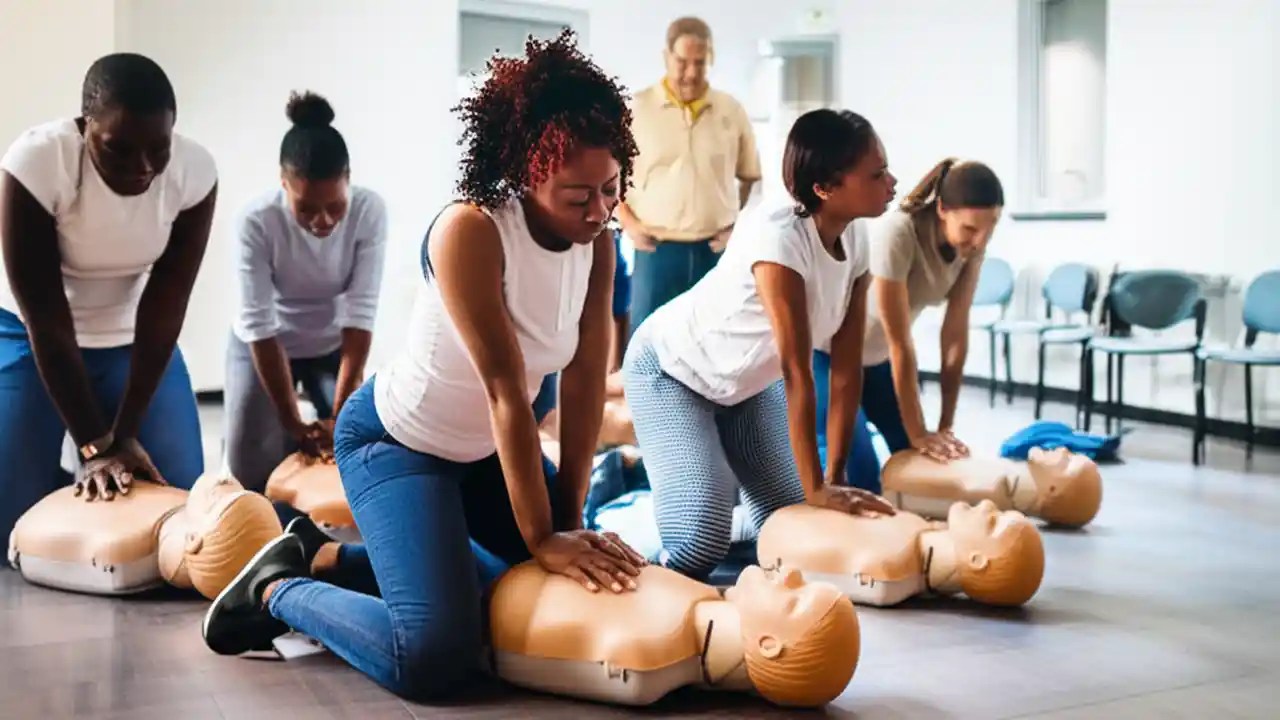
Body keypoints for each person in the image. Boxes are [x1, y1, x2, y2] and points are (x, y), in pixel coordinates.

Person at [202, 31, 647, 700]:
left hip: (484, 457)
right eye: (578, 196)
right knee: (436, 656)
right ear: (528, 173)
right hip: (396, 446)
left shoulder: (598, 245)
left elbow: (583, 380)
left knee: (537, 575)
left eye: (611, 190)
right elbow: (505, 393)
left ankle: (320, 553)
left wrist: (569, 517)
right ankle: (276, 588)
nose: (600, 211)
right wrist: (543, 534)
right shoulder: (470, 230)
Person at [622, 109, 898, 581]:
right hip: (672, 371)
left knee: (789, 530)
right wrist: (816, 489)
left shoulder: (857, 234)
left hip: (748, 386)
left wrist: (832, 481)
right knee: (697, 543)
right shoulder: (778, 239)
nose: (892, 182)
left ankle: (699, 496)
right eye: (876, 174)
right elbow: (797, 370)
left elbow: (846, 367)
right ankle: (622, 480)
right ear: (825, 188)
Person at [0, 53, 217, 544]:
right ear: (84, 126)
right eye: (118, 149)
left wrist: (123, 436)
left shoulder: (194, 172)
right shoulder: (35, 163)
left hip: (128, 338)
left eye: (157, 148)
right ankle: (50, 486)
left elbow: (166, 305)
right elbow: (46, 320)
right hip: (27, 338)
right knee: (7, 526)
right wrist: (94, 447)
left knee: (175, 505)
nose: (142, 168)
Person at [224, 90, 388, 493]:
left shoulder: (370, 211)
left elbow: (361, 315)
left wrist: (338, 419)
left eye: (334, 206)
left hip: (333, 343)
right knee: (253, 466)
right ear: (283, 185)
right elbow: (260, 327)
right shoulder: (255, 222)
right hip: (263, 344)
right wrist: (291, 420)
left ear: (349, 180)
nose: (322, 221)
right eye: (306, 209)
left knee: (358, 437)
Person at [815, 159, 1005, 493]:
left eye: (990, 229)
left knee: (922, 463)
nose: (980, 241)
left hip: (878, 361)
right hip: (830, 358)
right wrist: (918, 432)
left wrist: (944, 426)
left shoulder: (972, 248)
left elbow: (955, 337)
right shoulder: (898, 232)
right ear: (943, 208)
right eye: (972, 229)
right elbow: (900, 341)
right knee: (861, 475)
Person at [617, 16, 762, 338]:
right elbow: (608, 179)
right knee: (648, 350)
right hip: (656, 250)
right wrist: (628, 222)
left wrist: (736, 226)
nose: (692, 72)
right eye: (683, 62)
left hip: (715, 252)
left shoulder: (730, 110)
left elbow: (752, 177)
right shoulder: (635, 110)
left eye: (700, 62)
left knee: (714, 346)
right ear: (666, 57)